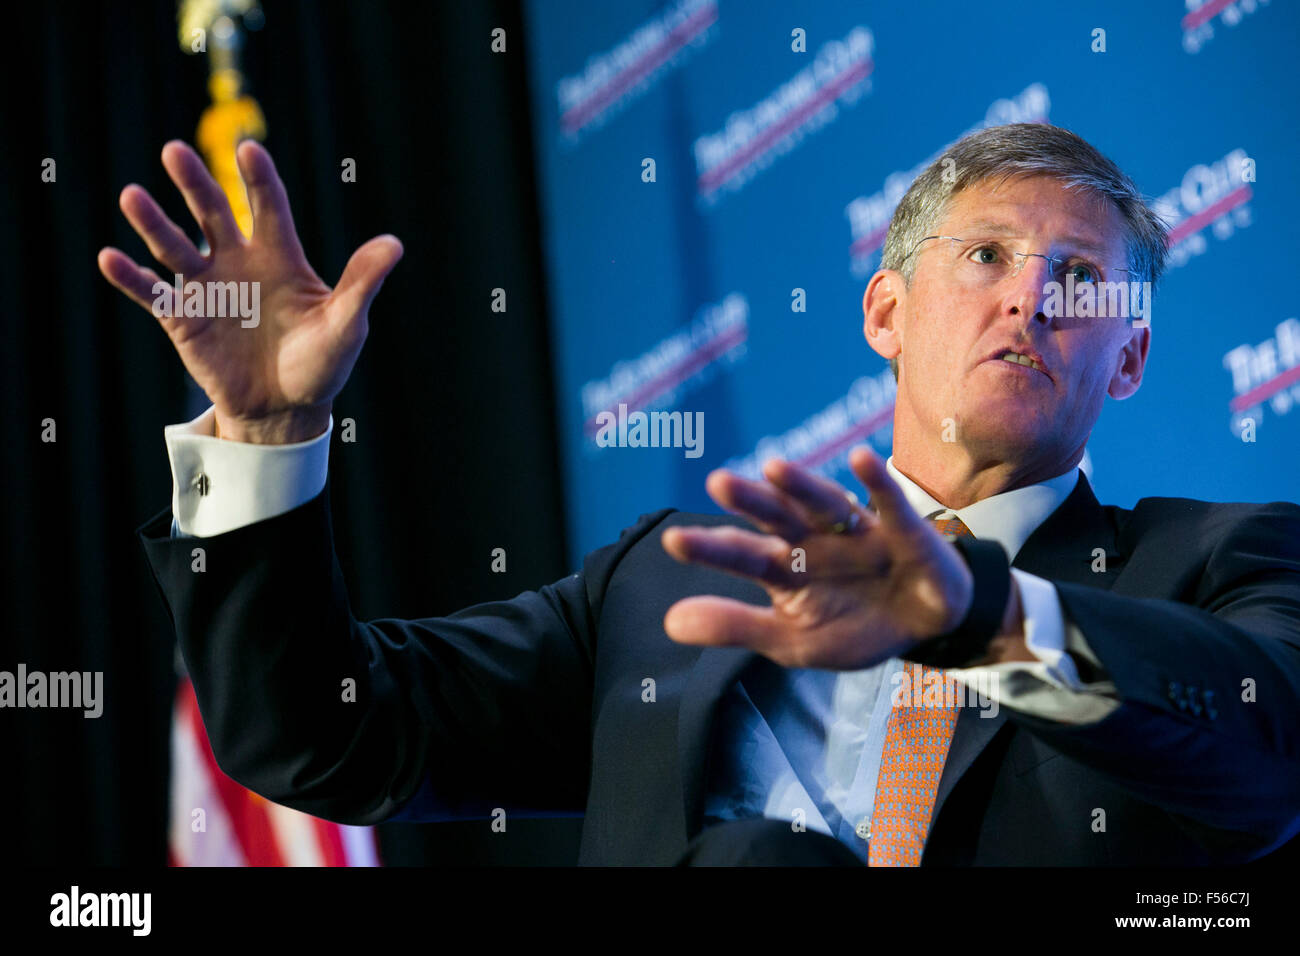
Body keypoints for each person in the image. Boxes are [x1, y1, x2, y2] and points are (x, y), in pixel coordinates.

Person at [101, 123, 1300, 866]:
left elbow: (1268, 757)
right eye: (985, 254)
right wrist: (266, 434)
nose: (1029, 297)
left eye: (1078, 279)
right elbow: (329, 733)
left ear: (1128, 358)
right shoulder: (671, 577)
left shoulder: (1215, 565)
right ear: (884, 309)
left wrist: (977, 619)